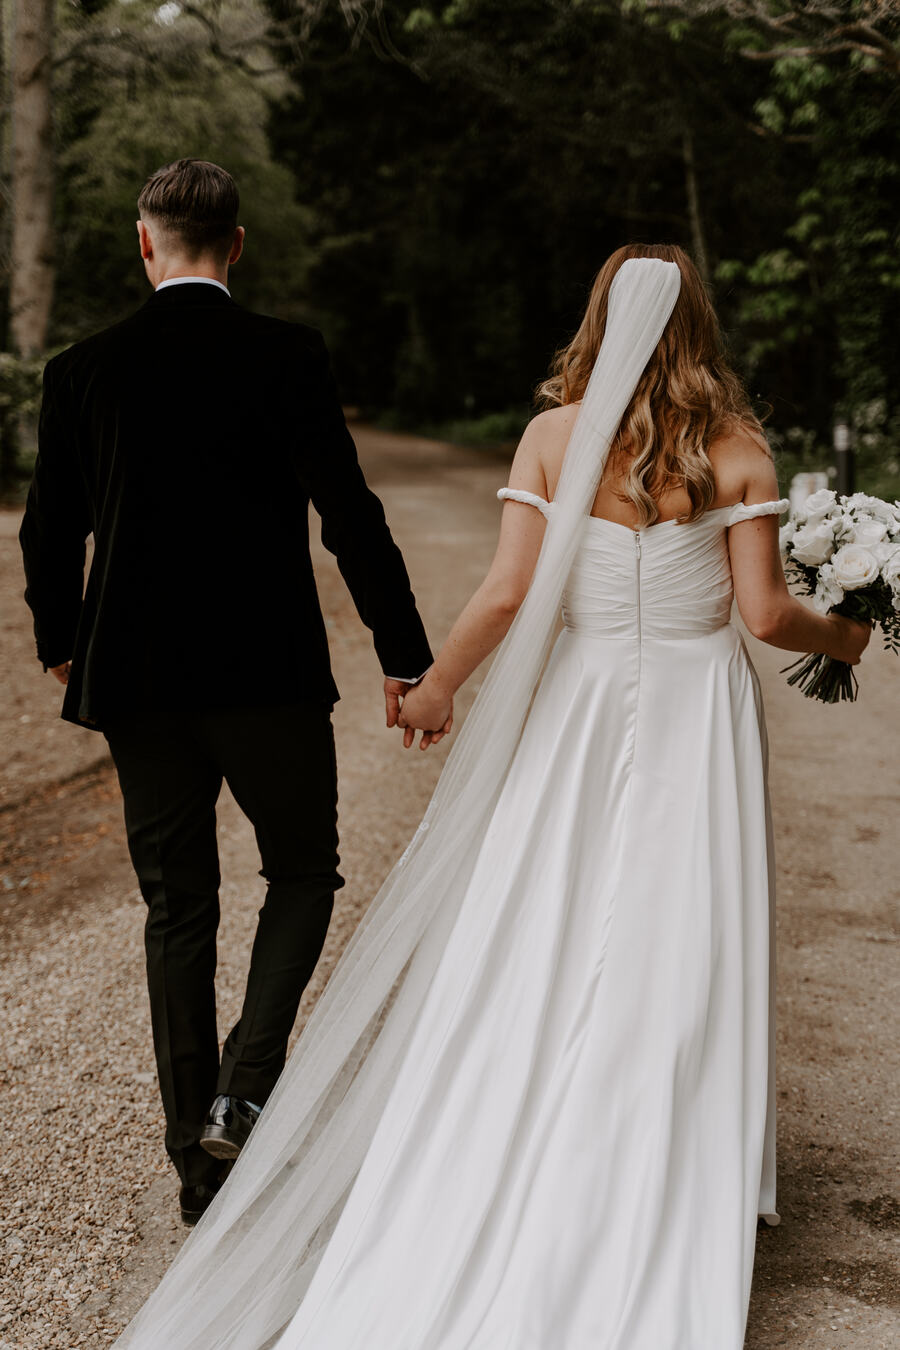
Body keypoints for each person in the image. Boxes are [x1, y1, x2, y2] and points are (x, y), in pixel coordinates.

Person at [112, 246, 869, 1350]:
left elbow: (511, 591)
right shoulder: (740, 450)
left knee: (551, 926)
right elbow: (763, 617)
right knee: (676, 932)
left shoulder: (555, 439)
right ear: (701, 323)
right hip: (695, 717)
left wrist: (434, 690)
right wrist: (847, 627)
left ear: (599, 317)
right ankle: (657, 1162)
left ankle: (528, 1129)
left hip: (583, 702)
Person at [19, 158, 436, 1228]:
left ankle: (192, 1163)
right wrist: (404, 652)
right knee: (302, 872)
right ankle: (245, 1090)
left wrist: (63, 639)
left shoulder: (84, 368)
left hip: (140, 680)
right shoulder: (288, 356)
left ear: (146, 244)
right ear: (237, 246)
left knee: (178, 904)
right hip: (268, 674)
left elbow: (49, 528)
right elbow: (350, 513)